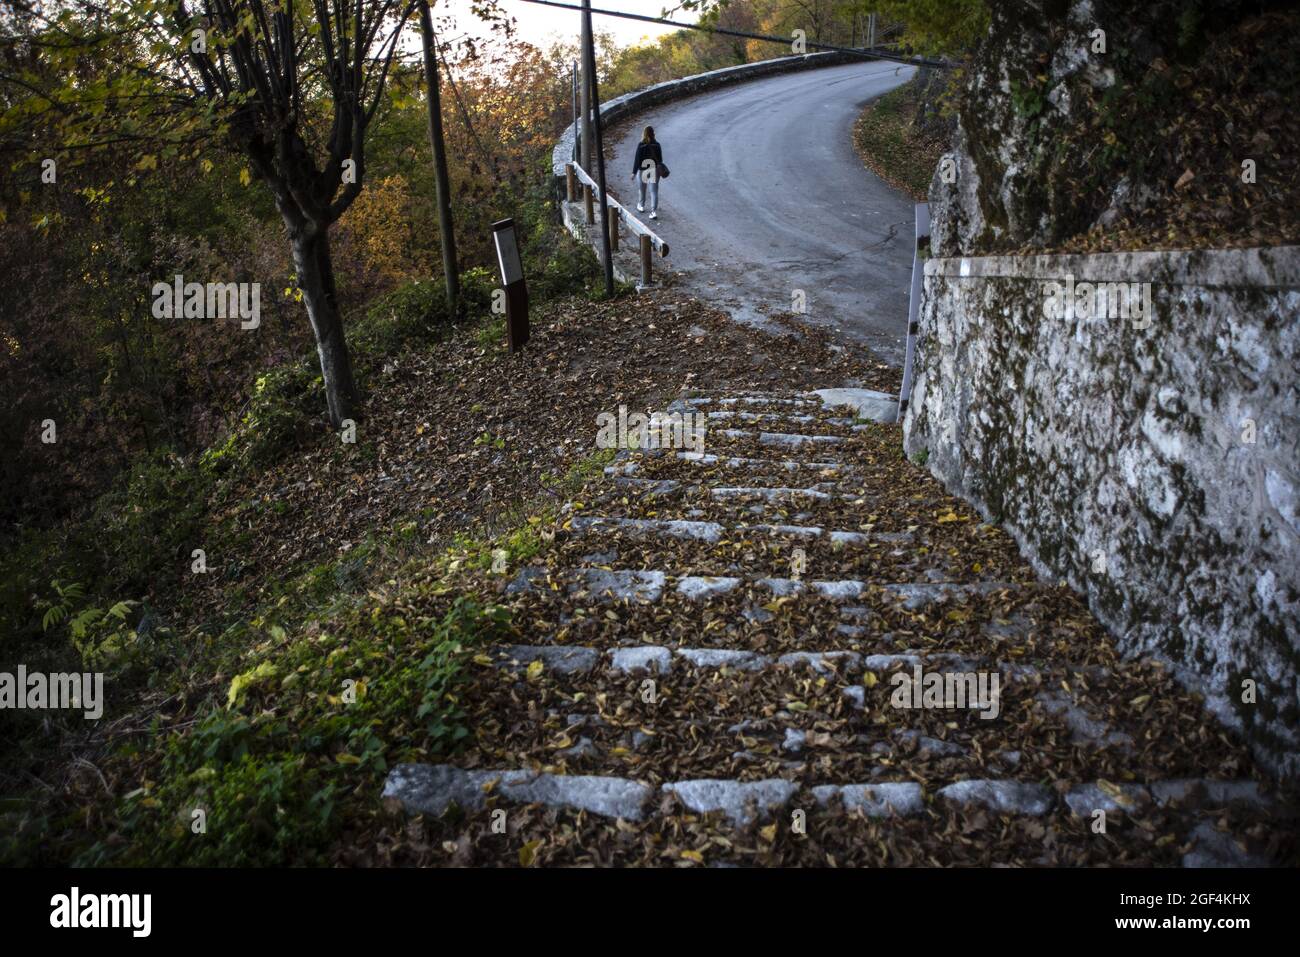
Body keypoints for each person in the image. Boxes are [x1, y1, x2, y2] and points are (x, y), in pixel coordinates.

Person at [631, 125, 664, 220]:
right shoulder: (657, 145)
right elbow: (660, 159)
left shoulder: (641, 145)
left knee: (642, 189)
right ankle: (653, 212)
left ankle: (641, 205)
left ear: (644, 134)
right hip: (653, 169)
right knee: (654, 191)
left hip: (643, 169)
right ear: (653, 133)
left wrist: (634, 172)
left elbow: (637, 159)